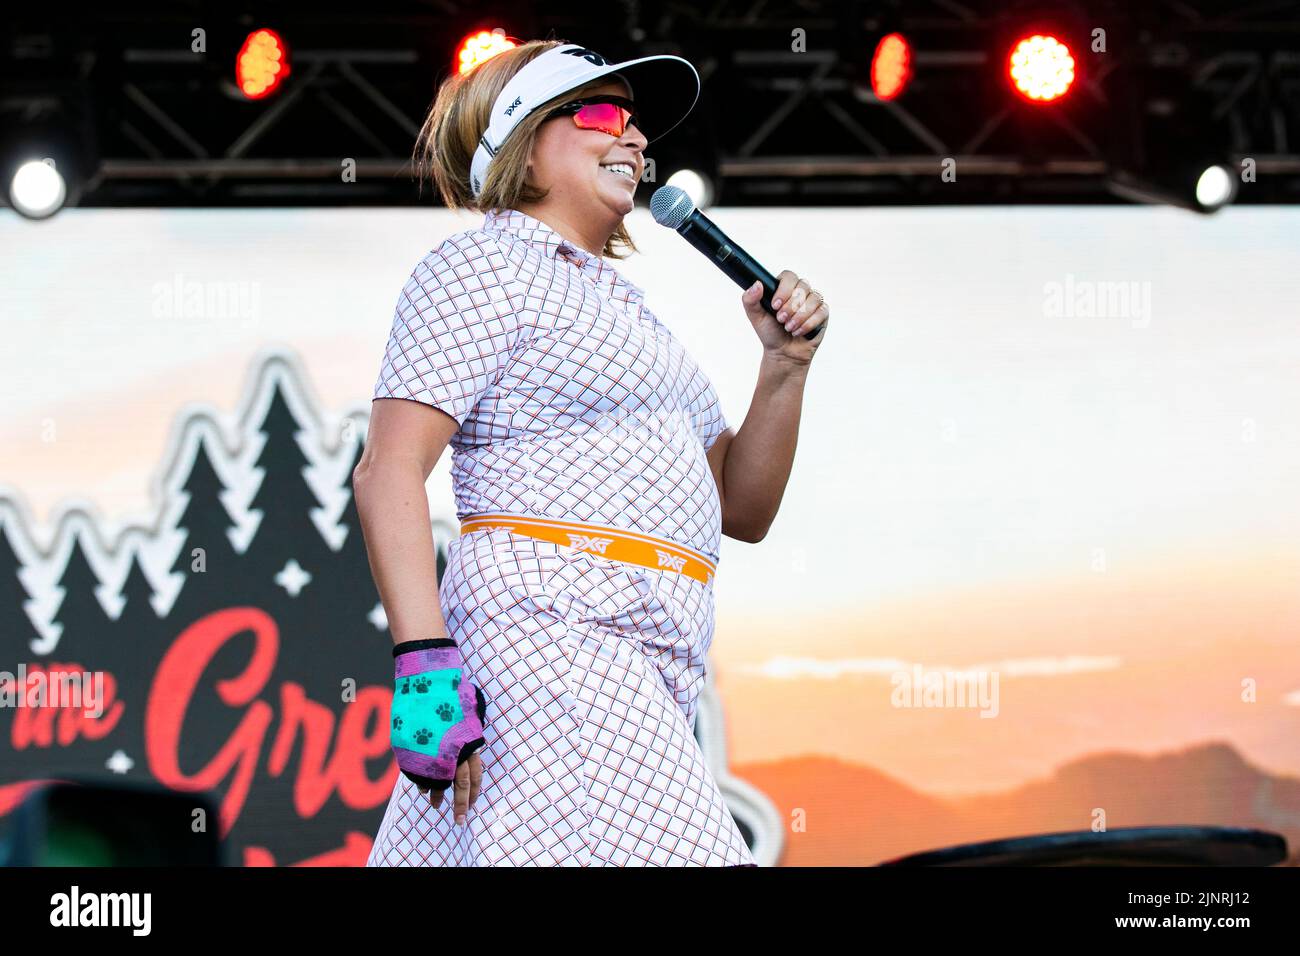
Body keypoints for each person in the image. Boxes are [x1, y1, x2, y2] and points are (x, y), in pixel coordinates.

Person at [355, 38, 829, 866]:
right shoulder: (483, 263)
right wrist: (425, 673)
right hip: (553, 636)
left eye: (639, 123)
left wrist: (784, 368)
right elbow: (388, 468)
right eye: (605, 113)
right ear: (523, 139)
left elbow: (741, 509)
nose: (638, 140)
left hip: (648, 657)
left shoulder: (632, 315)